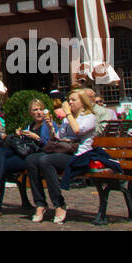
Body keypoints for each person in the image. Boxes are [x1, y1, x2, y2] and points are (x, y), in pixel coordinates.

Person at [24, 89, 96, 224]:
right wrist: (51, 127)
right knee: (31, 160)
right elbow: (58, 138)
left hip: (79, 156)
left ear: (83, 102)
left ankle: (59, 203)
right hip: (63, 152)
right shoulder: (67, 119)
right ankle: (40, 203)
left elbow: (77, 130)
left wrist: (67, 113)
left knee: (45, 160)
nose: (70, 102)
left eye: (74, 100)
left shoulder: (89, 117)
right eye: (69, 100)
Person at [0, 99, 49, 220]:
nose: (38, 112)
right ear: (30, 113)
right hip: (23, 154)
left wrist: (37, 137)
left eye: (40, 109)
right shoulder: (30, 125)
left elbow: (50, 144)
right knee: (1, 155)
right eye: (35, 110)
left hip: (34, 157)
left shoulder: (47, 125)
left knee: (1, 165)